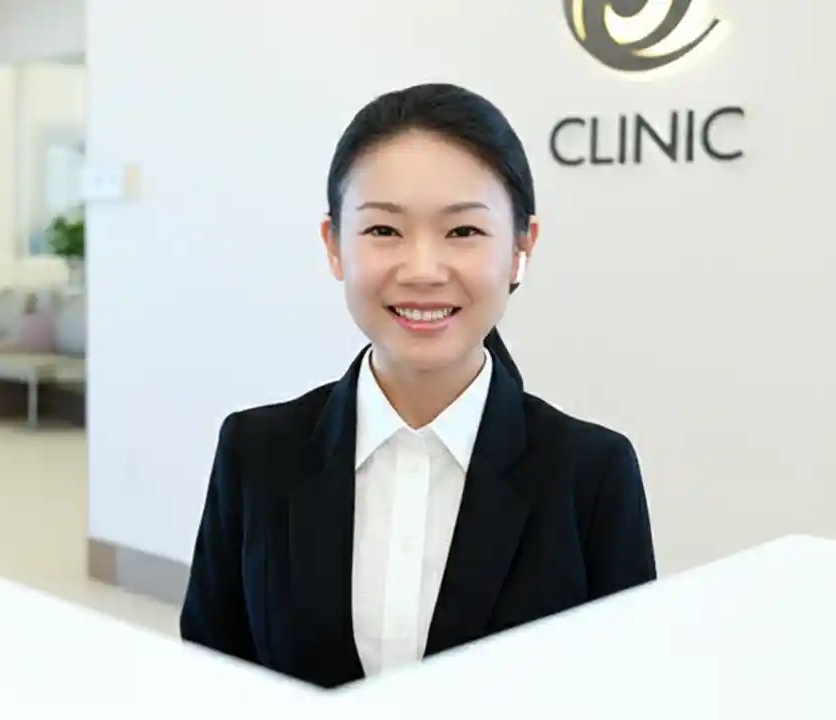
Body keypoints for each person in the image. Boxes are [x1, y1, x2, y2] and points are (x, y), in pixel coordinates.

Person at [180, 83, 656, 689]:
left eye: (463, 232)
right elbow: (212, 678)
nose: (423, 270)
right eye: (384, 230)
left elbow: (622, 692)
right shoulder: (255, 450)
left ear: (521, 247)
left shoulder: (591, 473)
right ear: (334, 246)